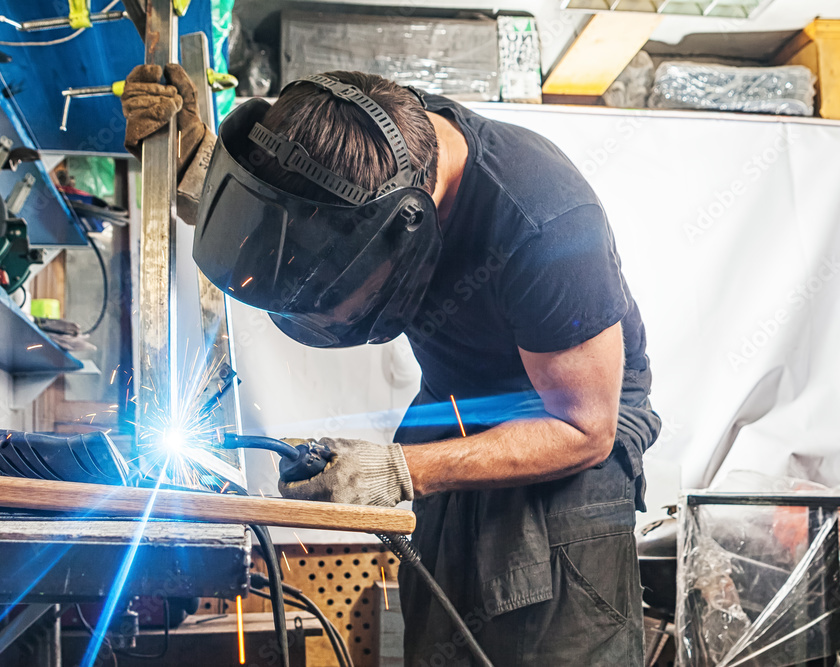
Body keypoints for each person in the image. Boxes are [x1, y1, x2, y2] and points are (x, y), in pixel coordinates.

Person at [123, 66, 661, 666]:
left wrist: (402, 468)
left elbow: (587, 428)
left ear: (406, 226)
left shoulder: (545, 222)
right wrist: (211, 177)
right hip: (453, 417)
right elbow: (301, 227)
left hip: (563, 457)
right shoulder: (368, 143)